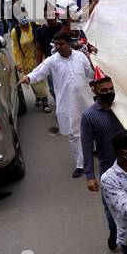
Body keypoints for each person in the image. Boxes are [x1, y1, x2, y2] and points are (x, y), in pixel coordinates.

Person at [22, 33, 95, 176]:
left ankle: (93, 150)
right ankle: (80, 165)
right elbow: (38, 72)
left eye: (61, 44)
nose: (58, 46)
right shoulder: (52, 61)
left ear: (69, 44)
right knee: (74, 135)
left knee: (91, 129)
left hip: (85, 101)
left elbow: (91, 73)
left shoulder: (80, 57)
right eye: (56, 44)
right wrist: (28, 77)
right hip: (68, 105)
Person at [79, 75, 125, 250]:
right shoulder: (89, 117)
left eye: (111, 89)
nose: (109, 92)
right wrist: (89, 176)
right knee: (112, 212)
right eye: (104, 90)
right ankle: (114, 234)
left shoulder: (123, 109)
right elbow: (87, 146)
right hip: (109, 171)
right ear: (95, 91)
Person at [9, 16, 51, 112]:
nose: (25, 26)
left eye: (26, 24)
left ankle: (45, 103)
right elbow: (16, 49)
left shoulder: (36, 26)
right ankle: (38, 96)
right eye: (22, 25)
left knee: (41, 78)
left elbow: (43, 41)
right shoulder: (16, 32)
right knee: (30, 78)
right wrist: (18, 63)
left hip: (38, 56)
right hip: (25, 60)